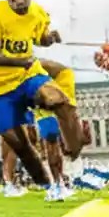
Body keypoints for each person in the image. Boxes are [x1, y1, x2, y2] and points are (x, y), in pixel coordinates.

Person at [0, 0, 80, 203]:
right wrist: (19, 61)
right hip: (2, 87)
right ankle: (31, 183)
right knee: (15, 141)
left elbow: (39, 37)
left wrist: (50, 37)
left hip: (29, 78)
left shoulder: (38, 13)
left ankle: (61, 179)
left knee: (56, 102)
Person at [36, 58, 78, 197]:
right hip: (50, 100)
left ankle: (58, 183)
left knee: (52, 143)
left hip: (51, 98)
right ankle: (59, 183)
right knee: (52, 143)